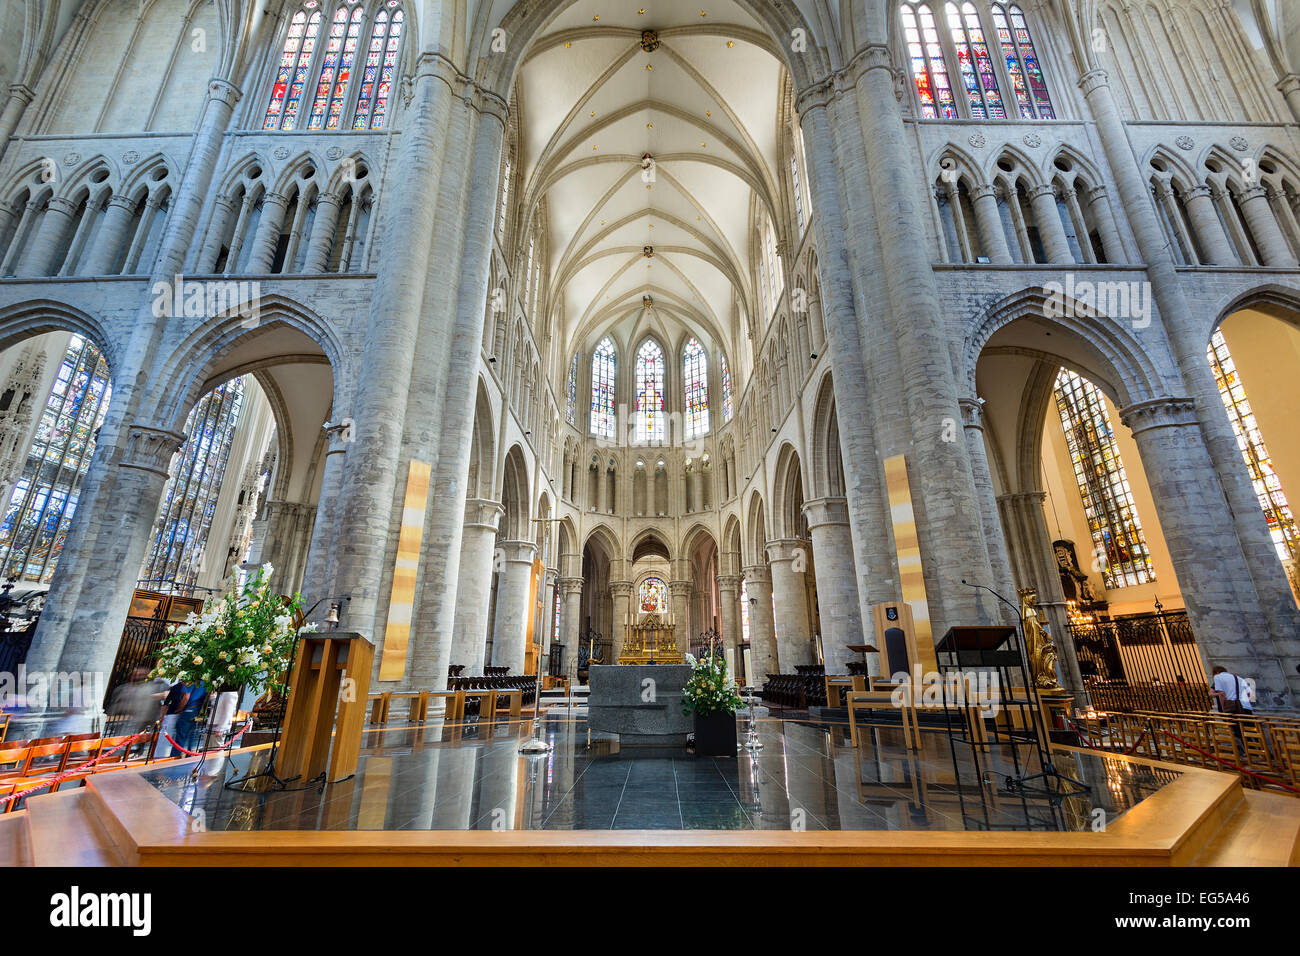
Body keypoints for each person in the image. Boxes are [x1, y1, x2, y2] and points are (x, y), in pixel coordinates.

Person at [106, 666, 169, 737]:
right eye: (135, 674)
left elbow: (165, 698)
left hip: (149, 720)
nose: (137, 676)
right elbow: (114, 706)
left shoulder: (155, 687)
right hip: (128, 721)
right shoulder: (123, 688)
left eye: (140, 675)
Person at [167, 681, 208, 758]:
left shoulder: (191, 682)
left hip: (188, 710)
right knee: (192, 737)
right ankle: (189, 756)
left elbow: (186, 697)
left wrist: (179, 709)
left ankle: (175, 756)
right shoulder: (205, 683)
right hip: (197, 710)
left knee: (180, 736)